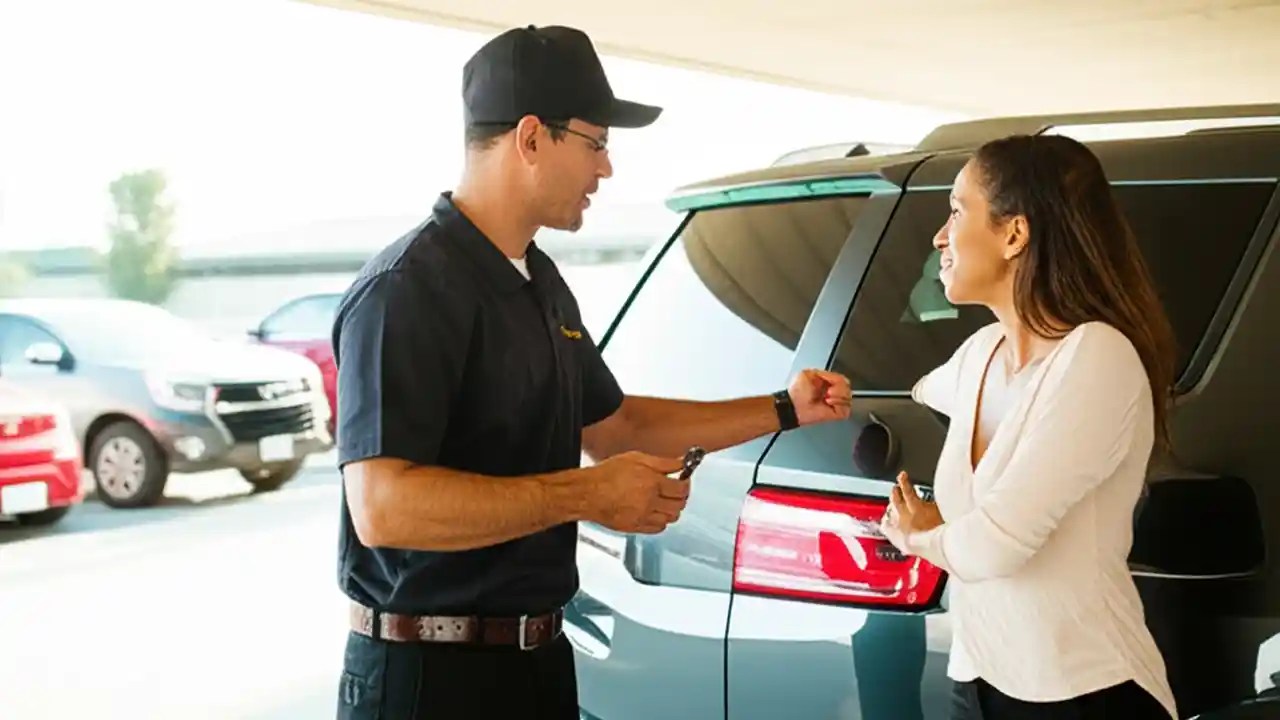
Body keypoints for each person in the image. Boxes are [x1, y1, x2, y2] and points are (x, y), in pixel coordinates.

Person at [330, 24, 853, 720]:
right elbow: (384, 507)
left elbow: (617, 426)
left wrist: (785, 408)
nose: (605, 169)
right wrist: (584, 495)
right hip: (428, 679)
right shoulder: (408, 290)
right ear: (530, 138)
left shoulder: (539, 282)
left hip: (538, 663)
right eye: (596, 143)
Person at [878, 134, 1179, 719]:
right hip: (980, 679)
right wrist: (810, 400)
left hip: (1085, 692)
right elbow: (914, 392)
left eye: (957, 212)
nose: (940, 237)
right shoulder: (980, 354)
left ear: (1014, 234)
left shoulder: (1097, 357)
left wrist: (921, 537)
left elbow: (997, 545)